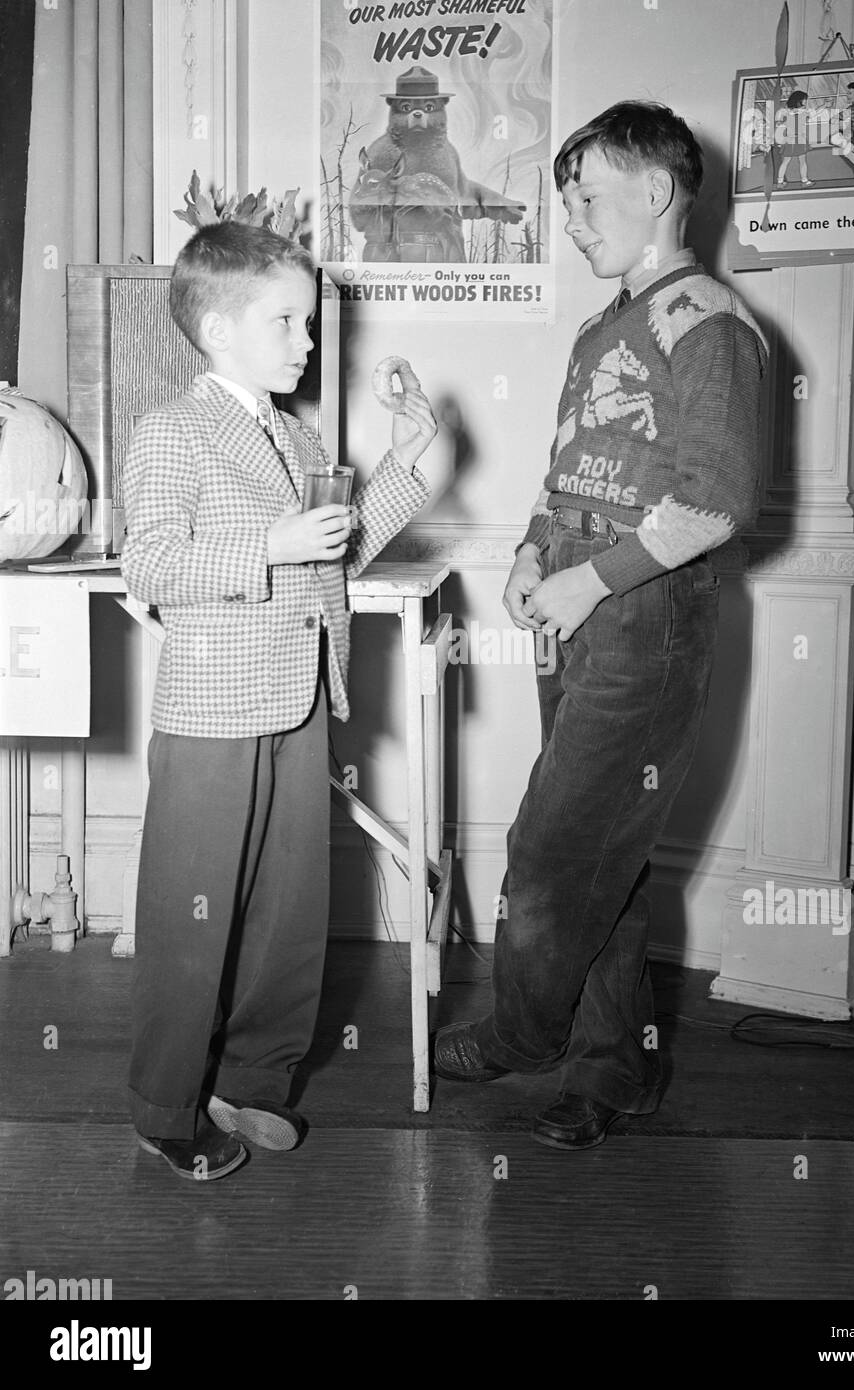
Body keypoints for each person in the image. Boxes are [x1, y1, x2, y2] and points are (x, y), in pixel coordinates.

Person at [433, 101, 768, 1150]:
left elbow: (715, 501)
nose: (570, 218)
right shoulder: (600, 327)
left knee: (548, 850)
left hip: (644, 616)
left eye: (586, 197)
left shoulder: (708, 321)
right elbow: (570, 464)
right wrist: (535, 554)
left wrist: (592, 583)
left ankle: (520, 1034)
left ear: (657, 193)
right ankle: (610, 1072)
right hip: (581, 601)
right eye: (565, 198)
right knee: (604, 860)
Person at [121, 222, 435, 1179]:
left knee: (291, 909)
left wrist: (407, 461)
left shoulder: (295, 435)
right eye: (287, 320)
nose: (308, 340)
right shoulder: (172, 431)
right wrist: (269, 545)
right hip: (212, 712)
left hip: (299, 699)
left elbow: (332, 554)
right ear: (216, 328)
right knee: (192, 914)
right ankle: (167, 1109)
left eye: (311, 319)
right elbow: (150, 564)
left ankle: (252, 1082)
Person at [776, 89, 813, 187]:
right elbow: (780, 124)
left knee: (800, 161)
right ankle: (781, 182)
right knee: (788, 161)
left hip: (798, 139)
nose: (806, 101)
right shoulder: (787, 113)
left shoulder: (802, 112)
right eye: (804, 99)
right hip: (792, 140)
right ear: (799, 100)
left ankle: (804, 181)